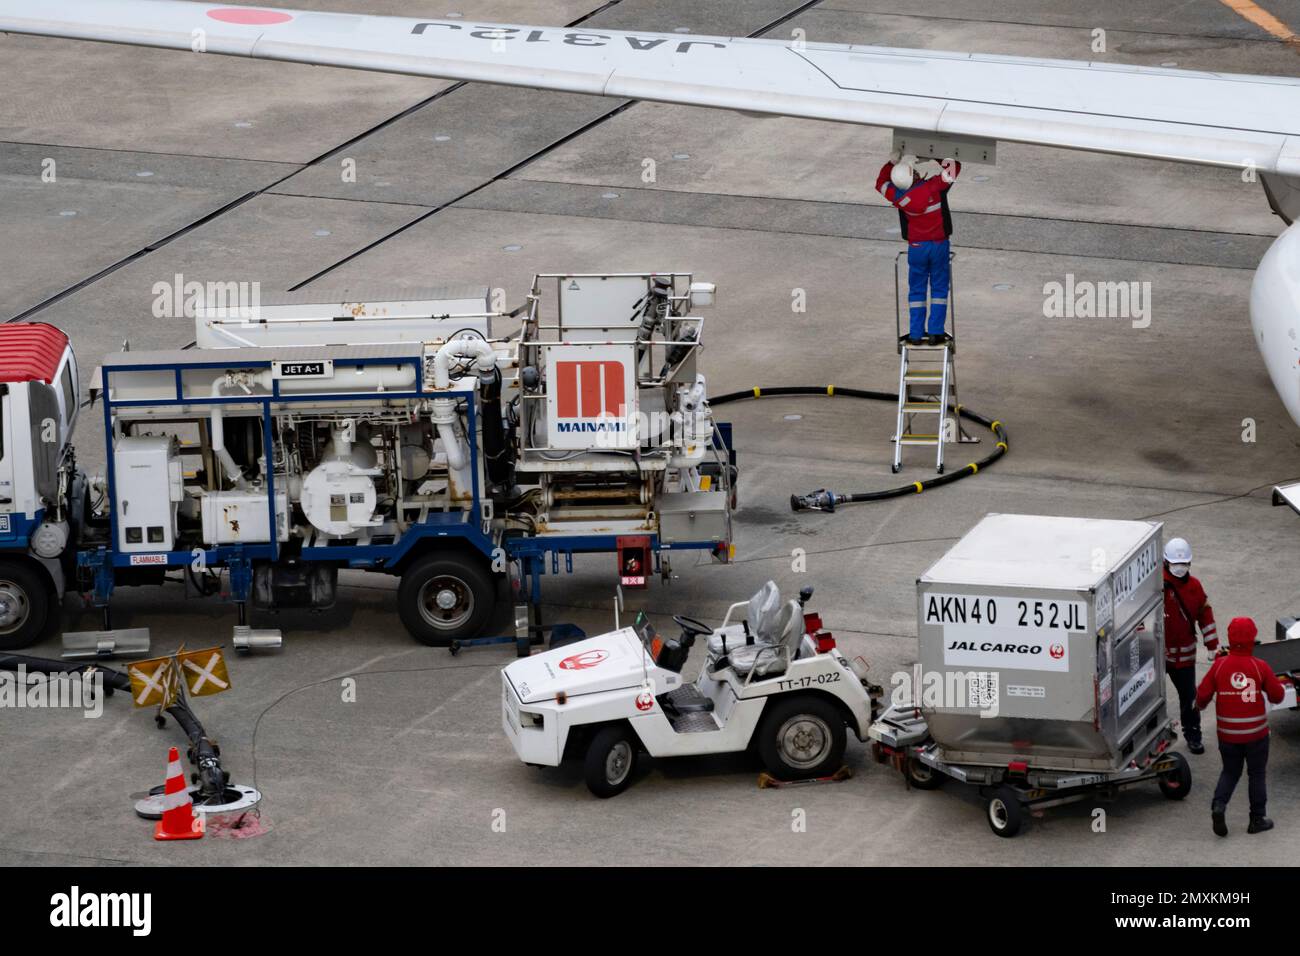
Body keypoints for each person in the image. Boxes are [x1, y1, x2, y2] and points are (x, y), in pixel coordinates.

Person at [1195, 617, 1284, 835]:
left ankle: (1219, 805)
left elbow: (1202, 697)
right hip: (1256, 735)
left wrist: (1201, 704)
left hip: (1228, 735)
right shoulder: (1259, 666)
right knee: (1256, 774)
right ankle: (1257, 820)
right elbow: (1278, 695)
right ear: (1253, 639)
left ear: (1230, 638)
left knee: (1230, 772)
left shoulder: (1220, 665)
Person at [875, 150, 961, 346]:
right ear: (912, 176)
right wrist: (935, 155)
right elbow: (954, 168)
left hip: (916, 247)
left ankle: (915, 333)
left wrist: (891, 162)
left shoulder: (898, 196)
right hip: (938, 245)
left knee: (916, 291)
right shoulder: (932, 187)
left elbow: (880, 183)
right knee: (939, 288)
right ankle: (935, 332)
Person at [1162, 537, 1218, 754]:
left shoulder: (1194, 587)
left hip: (1184, 658)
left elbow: (1205, 614)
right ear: (1166, 562)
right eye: (1176, 564)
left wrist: (1212, 644)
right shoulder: (1156, 584)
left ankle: (1193, 734)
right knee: (1149, 699)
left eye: (1183, 564)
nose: (1180, 568)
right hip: (1159, 655)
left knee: (1190, 698)